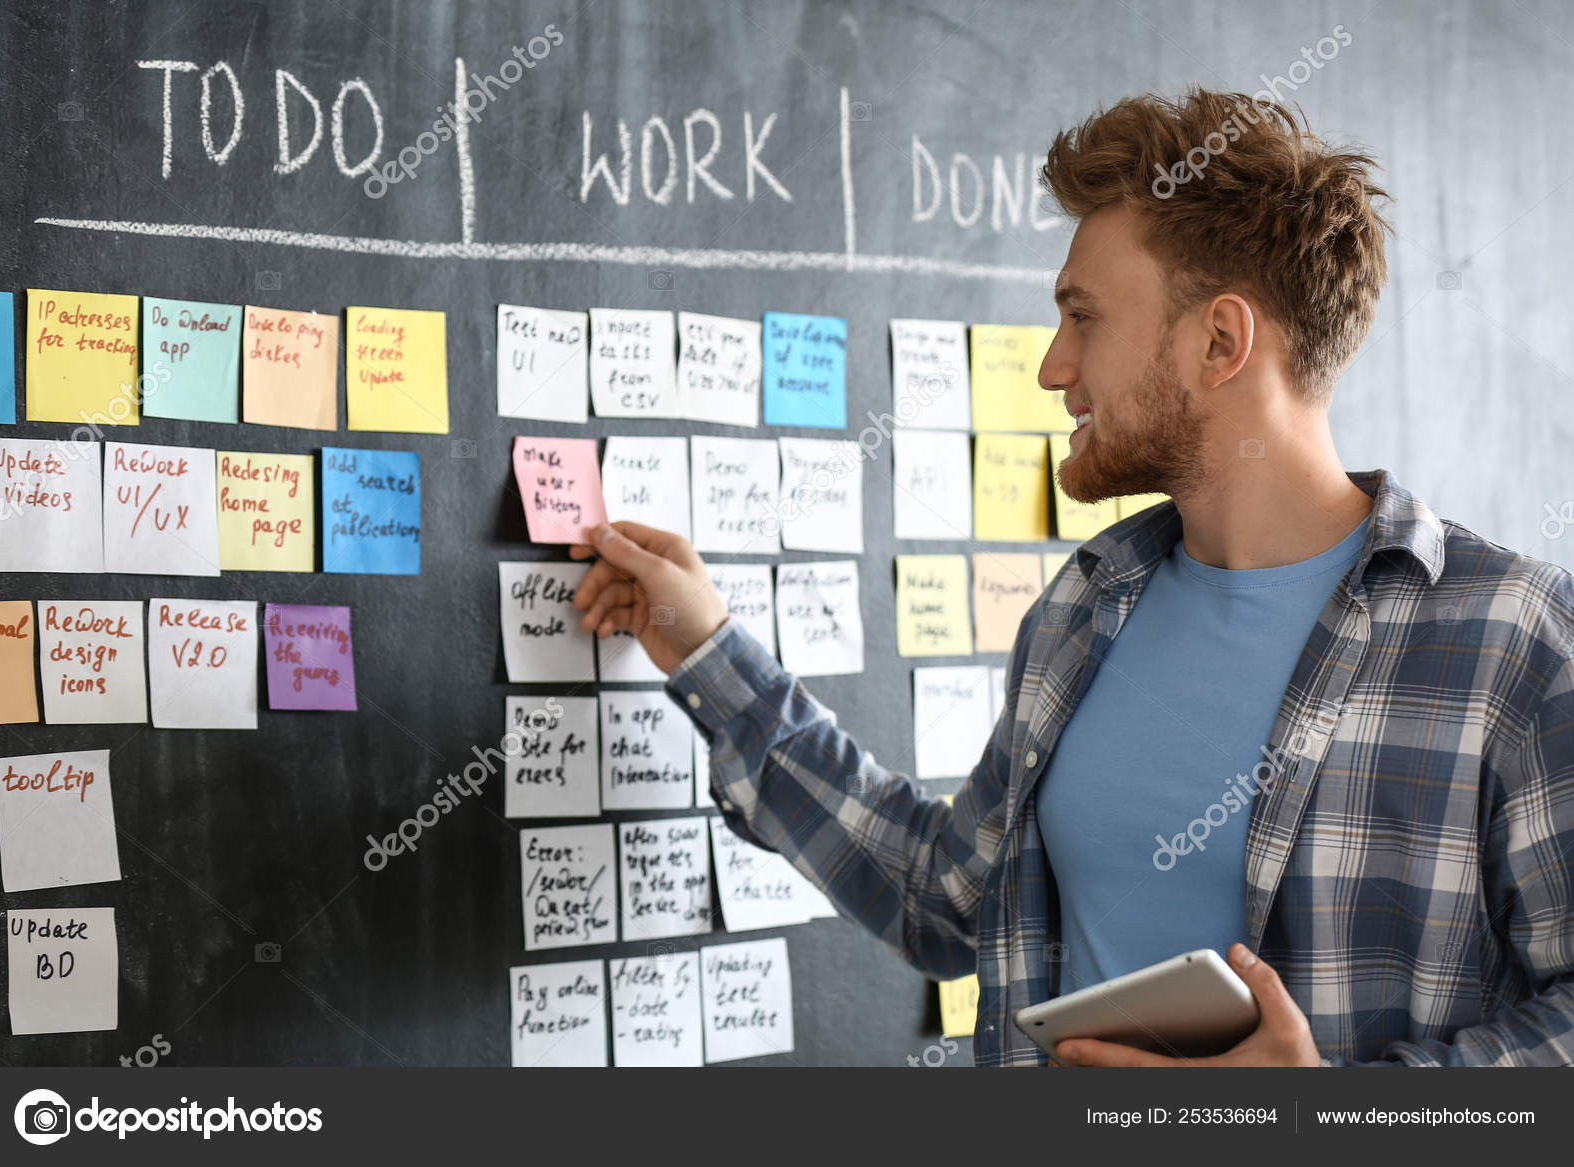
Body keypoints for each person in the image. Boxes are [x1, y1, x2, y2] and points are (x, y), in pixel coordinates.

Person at [568, 88, 1574, 1067]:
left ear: (1220, 341)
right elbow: (944, 900)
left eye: (1083, 317)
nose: (1053, 368)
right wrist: (707, 650)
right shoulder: (1086, 612)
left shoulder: (1511, 641)